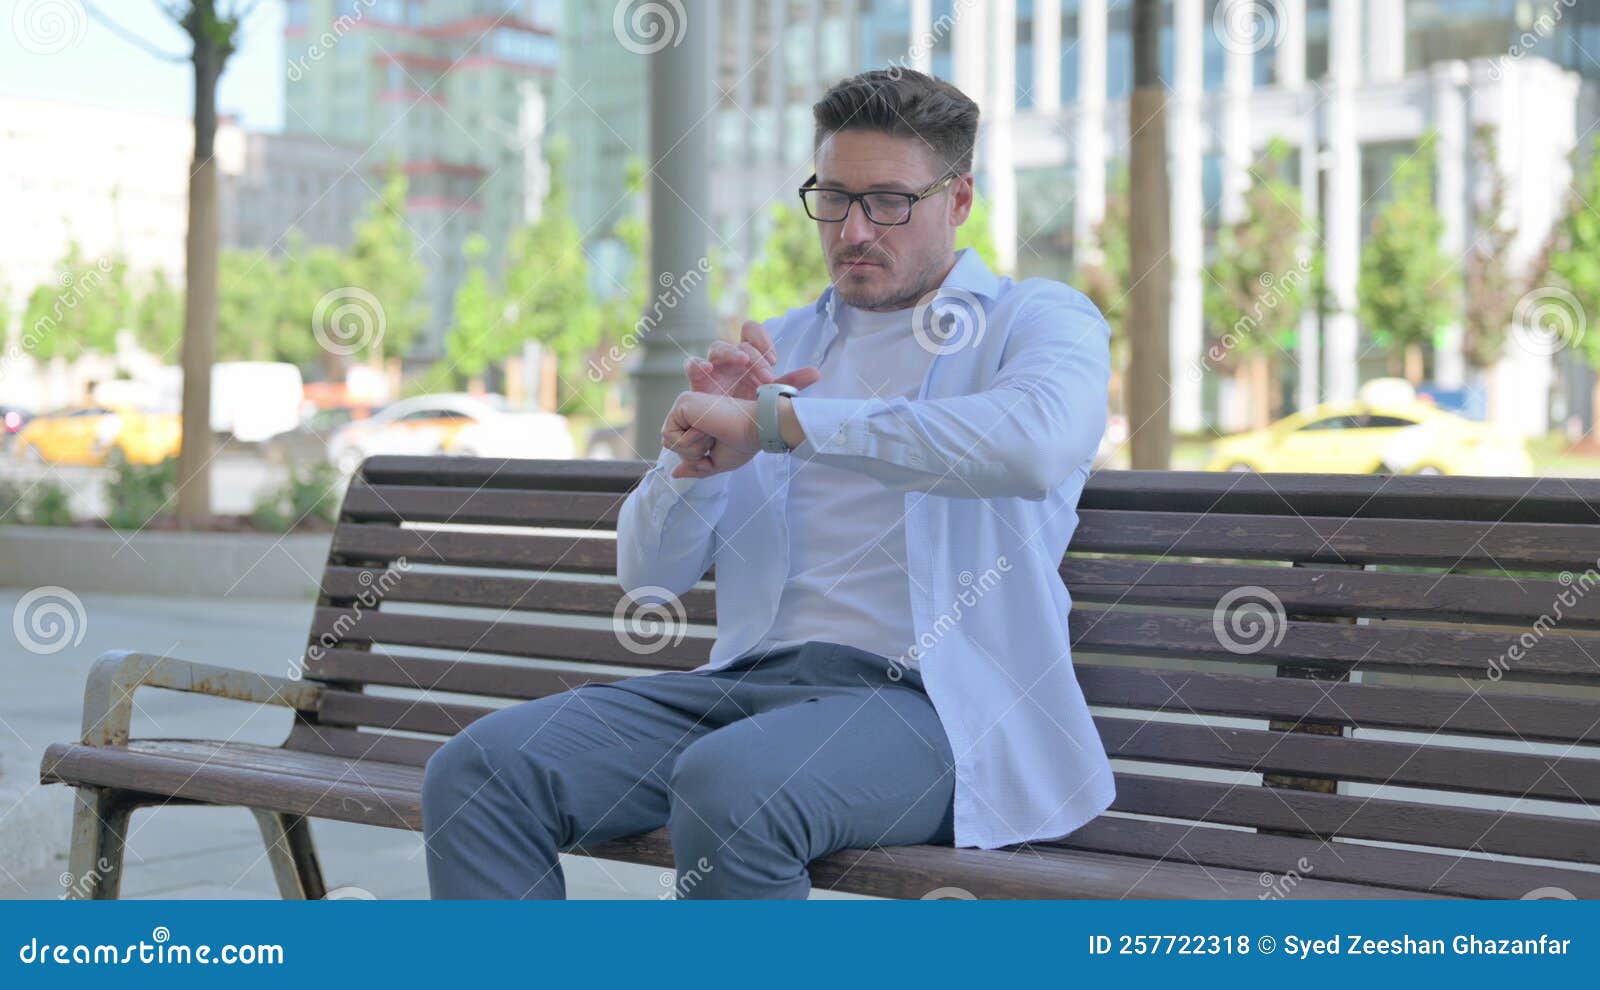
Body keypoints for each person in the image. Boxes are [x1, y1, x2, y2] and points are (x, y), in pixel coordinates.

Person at [422, 68, 1115, 900]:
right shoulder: (777, 348)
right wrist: (695, 470)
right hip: (748, 687)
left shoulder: (1035, 321)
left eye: (889, 202)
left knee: (732, 786)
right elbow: (649, 577)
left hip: (936, 709)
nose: (854, 229)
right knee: (482, 769)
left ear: (958, 199)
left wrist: (785, 425)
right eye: (834, 197)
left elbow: (1032, 443)